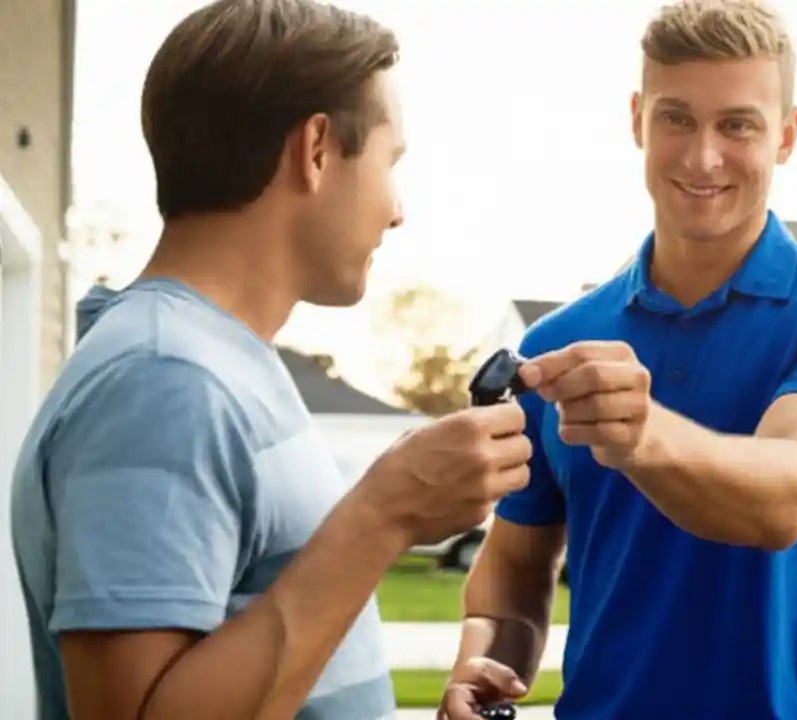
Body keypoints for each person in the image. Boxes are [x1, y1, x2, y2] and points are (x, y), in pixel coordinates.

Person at [9, 1, 533, 718]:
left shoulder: (218, 366)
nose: (396, 209)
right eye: (389, 162)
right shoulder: (164, 383)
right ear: (316, 149)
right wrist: (385, 514)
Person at [441, 1, 797, 718]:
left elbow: (790, 494)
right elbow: (515, 561)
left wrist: (642, 436)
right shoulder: (558, 344)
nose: (703, 156)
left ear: (786, 135)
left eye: (738, 124)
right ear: (637, 119)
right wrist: (487, 662)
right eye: (676, 118)